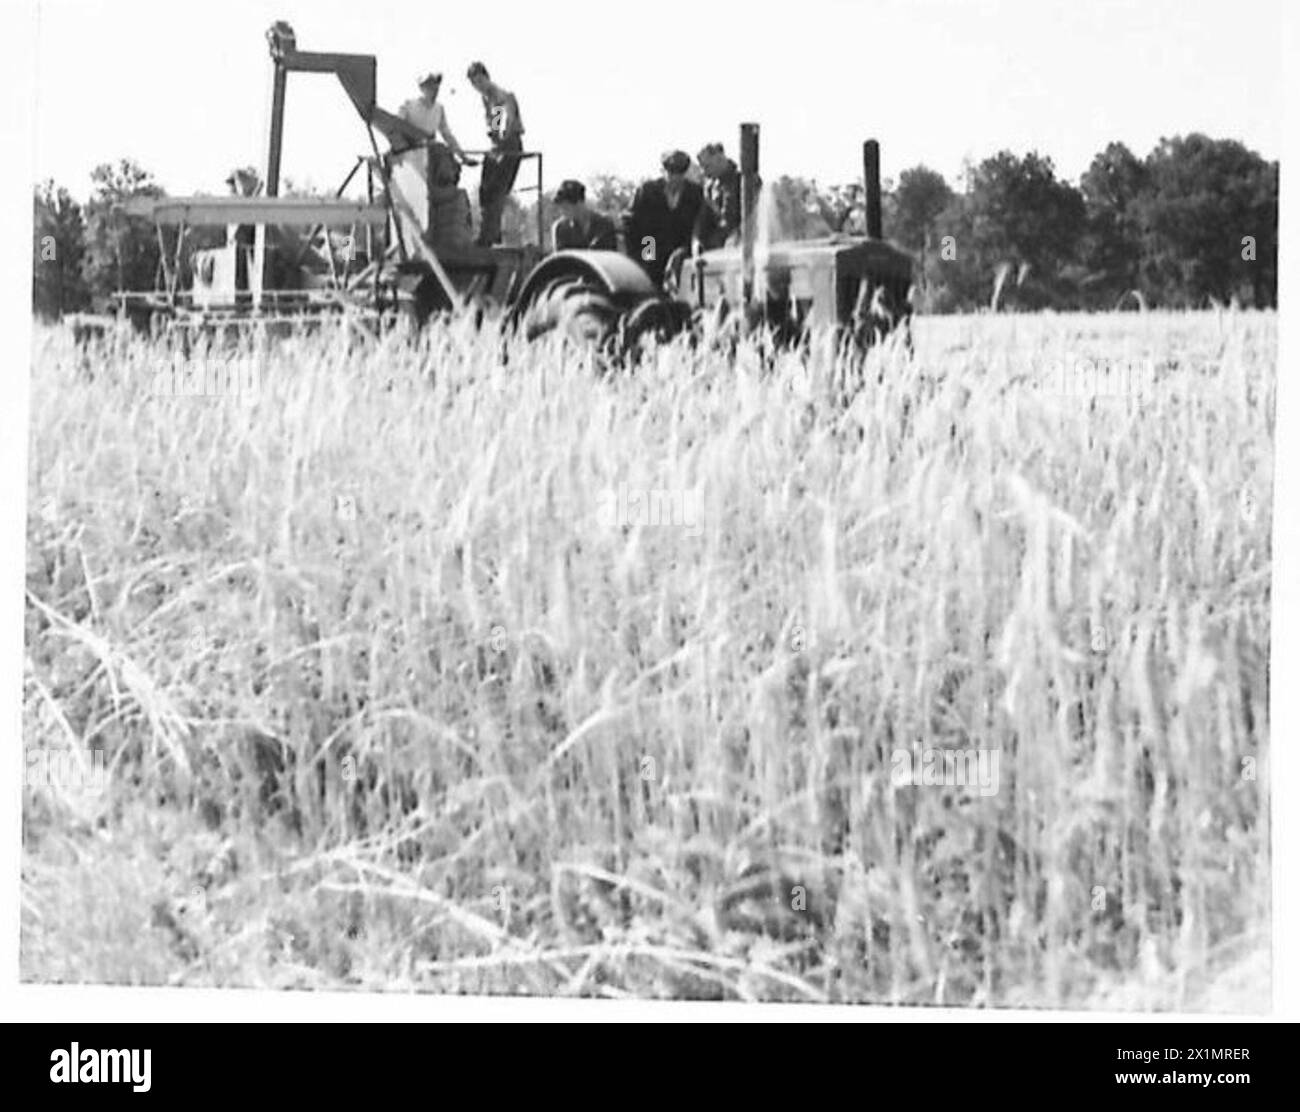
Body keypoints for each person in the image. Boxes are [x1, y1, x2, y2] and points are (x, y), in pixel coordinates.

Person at [624, 150, 704, 287]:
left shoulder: (695, 193)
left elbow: (700, 225)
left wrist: (685, 250)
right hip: (650, 246)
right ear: (664, 171)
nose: (674, 178)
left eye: (679, 173)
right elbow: (631, 224)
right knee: (650, 280)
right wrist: (645, 256)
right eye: (671, 173)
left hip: (681, 253)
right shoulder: (647, 191)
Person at [467, 61, 525, 247]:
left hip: (510, 145)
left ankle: (490, 235)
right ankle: (490, 233)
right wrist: (493, 133)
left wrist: (498, 134)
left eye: (479, 81)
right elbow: (494, 125)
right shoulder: (487, 98)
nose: (478, 86)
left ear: (486, 77)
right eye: (474, 84)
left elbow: (506, 122)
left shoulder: (501, 95)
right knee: (486, 189)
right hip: (499, 146)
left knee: (497, 189)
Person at [397, 72, 474, 180]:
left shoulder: (492, 95)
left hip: (500, 150)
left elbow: (447, 135)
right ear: (422, 87)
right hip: (412, 159)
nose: (435, 88)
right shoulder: (409, 105)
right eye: (430, 85)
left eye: (436, 84)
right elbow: (396, 130)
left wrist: (463, 156)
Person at [694, 142, 742, 250]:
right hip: (716, 246)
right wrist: (697, 242)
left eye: (707, 166)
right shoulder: (709, 188)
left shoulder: (745, 181)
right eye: (701, 167)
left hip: (743, 244)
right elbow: (702, 222)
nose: (704, 172)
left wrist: (738, 234)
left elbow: (754, 216)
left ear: (719, 159)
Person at [550, 180, 618, 251]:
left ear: (580, 203)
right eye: (561, 207)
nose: (562, 211)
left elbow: (611, 256)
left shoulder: (604, 223)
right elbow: (560, 258)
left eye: (566, 207)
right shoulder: (561, 228)